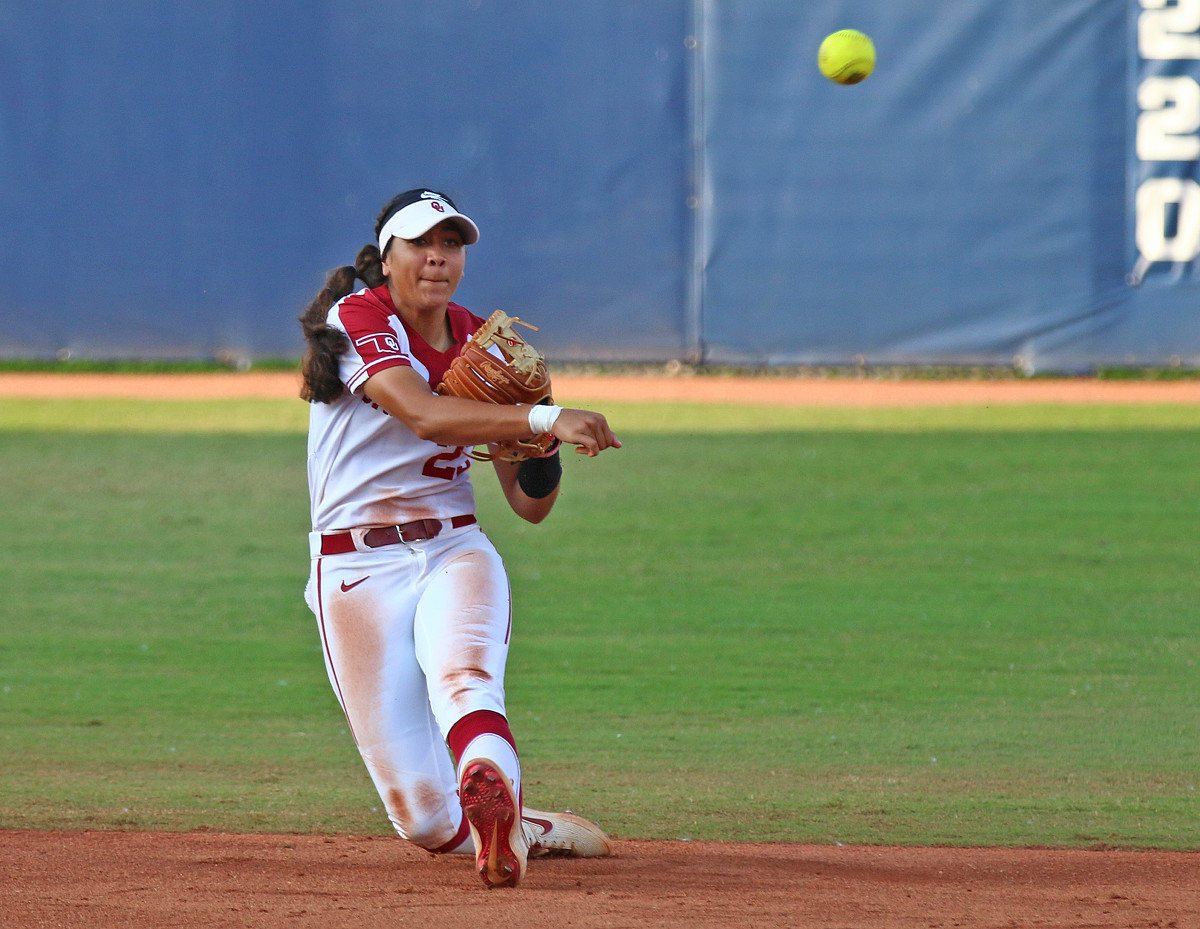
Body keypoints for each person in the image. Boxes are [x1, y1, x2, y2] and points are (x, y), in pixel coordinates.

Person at [297, 188, 621, 888]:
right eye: (421, 243)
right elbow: (422, 414)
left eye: (452, 244)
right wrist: (542, 417)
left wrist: (538, 436)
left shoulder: (486, 343)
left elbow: (530, 506)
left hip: (454, 550)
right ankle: (515, 822)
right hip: (357, 572)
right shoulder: (358, 317)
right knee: (424, 821)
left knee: (465, 682)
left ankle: (490, 788)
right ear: (387, 257)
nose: (438, 257)